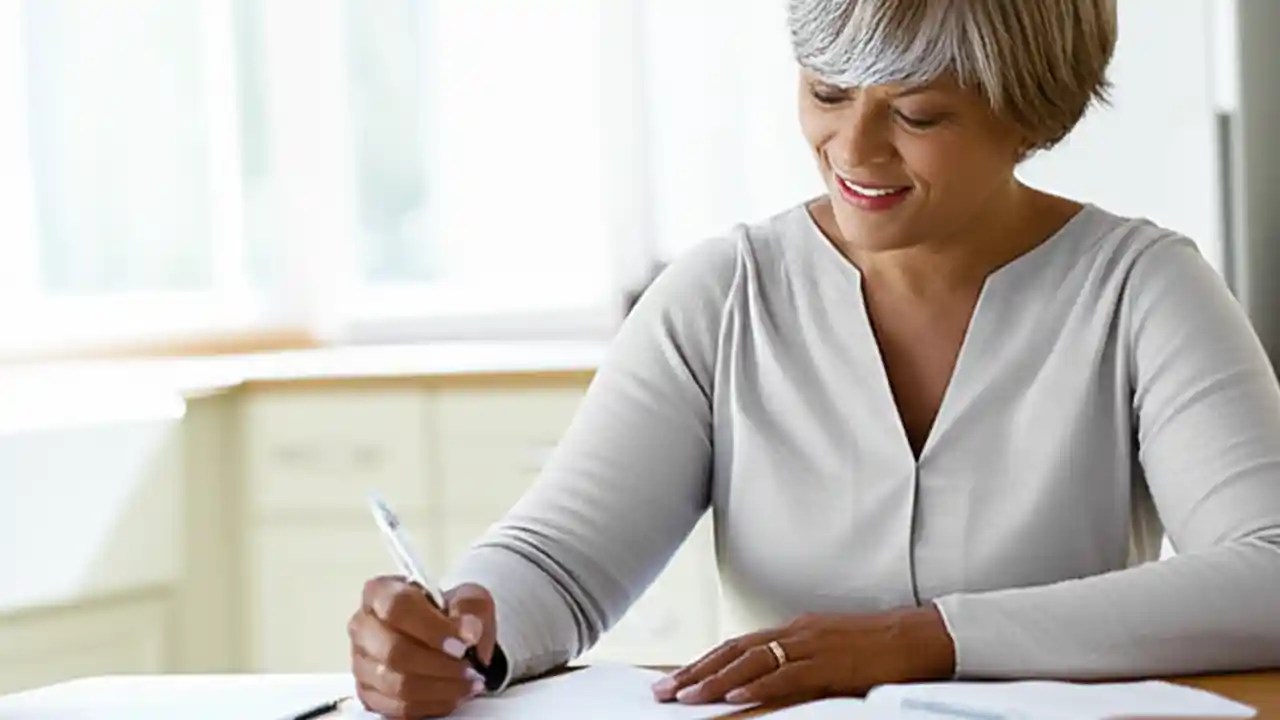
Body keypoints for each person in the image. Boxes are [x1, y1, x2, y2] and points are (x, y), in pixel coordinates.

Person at [346, 1, 1280, 716]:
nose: (853, 148)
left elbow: (1269, 570)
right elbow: (557, 563)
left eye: (918, 114)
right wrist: (461, 633)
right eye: (828, 93)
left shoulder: (1143, 289)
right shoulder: (722, 296)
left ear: (1027, 113)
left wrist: (923, 642)